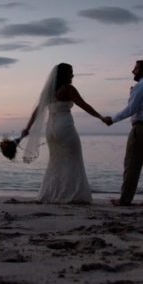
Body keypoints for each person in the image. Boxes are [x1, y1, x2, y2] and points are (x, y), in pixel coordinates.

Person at [19, 63, 108, 204]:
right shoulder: (68, 89)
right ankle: (73, 195)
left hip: (51, 131)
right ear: (64, 74)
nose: (73, 75)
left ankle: (52, 194)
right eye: (70, 72)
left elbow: (37, 111)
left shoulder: (48, 92)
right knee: (73, 161)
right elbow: (84, 105)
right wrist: (101, 117)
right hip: (65, 128)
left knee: (56, 162)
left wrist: (28, 128)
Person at [102, 60, 143, 207]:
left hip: (142, 128)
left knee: (132, 163)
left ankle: (125, 199)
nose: (132, 71)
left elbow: (131, 109)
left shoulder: (141, 86)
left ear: (142, 70)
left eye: (135, 68)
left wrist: (113, 119)